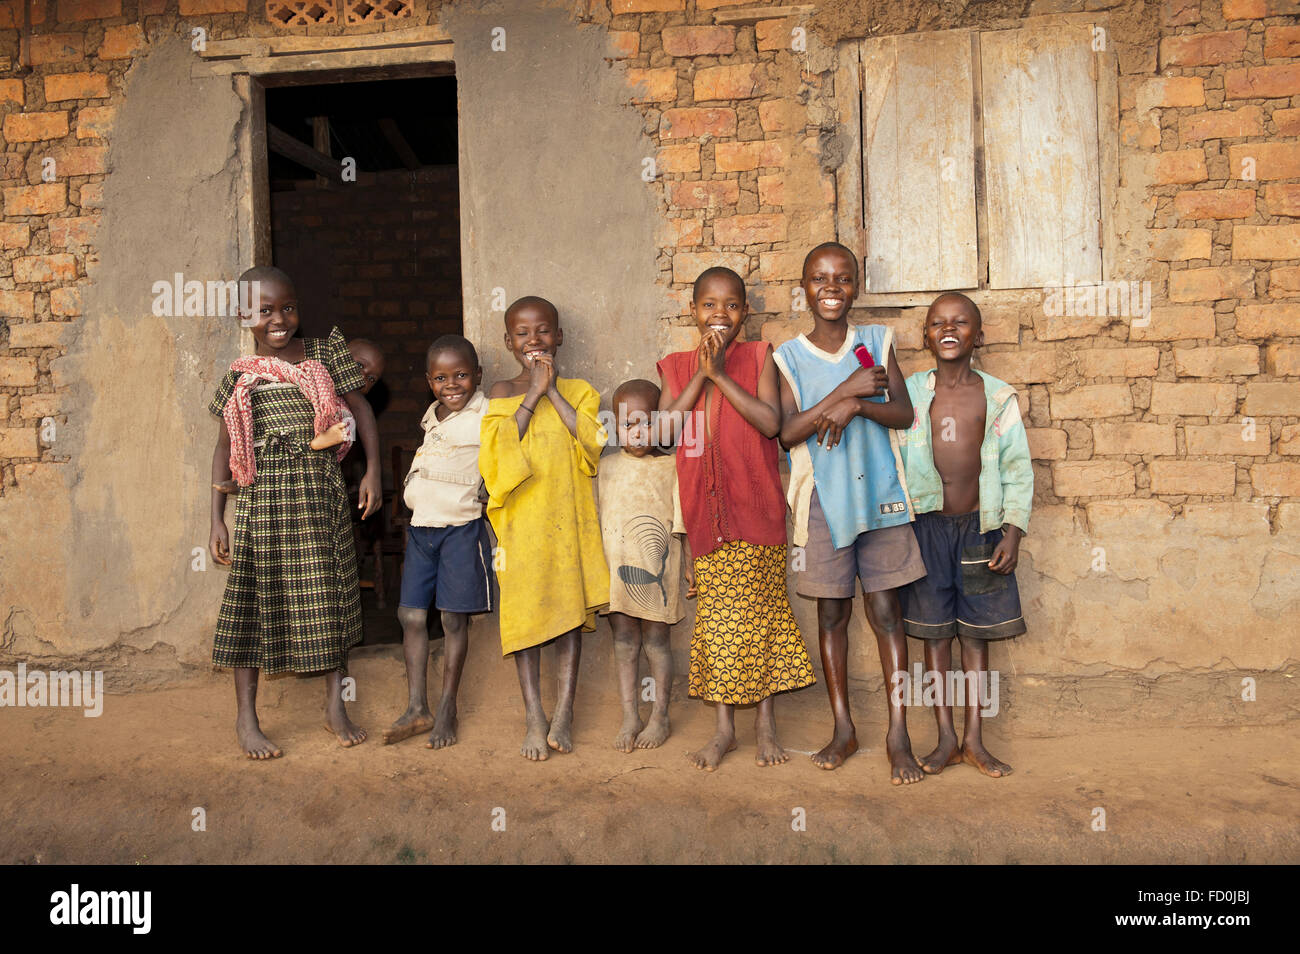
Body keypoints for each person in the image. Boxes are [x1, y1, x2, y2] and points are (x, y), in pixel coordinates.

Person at [207, 266, 381, 759]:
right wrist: (216, 516)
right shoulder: (241, 376)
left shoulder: (325, 354)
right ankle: (247, 717)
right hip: (262, 502)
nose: (278, 320)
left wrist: (373, 474)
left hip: (320, 496)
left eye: (287, 307)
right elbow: (223, 449)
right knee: (250, 606)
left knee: (327, 597)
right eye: (264, 311)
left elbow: (362, 412)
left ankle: (335, 706)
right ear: (246, 316)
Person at [774, 241, 927, 784]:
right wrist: (842, 391)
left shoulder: (877, 342)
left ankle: (898, 732)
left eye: (842, 277)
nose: (831, 287)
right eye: (819, 278)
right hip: (821, 504)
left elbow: (904, 415)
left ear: (856, 285)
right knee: (832, 614)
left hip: (879, 497)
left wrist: (858, 404)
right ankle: (843, 727)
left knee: (887, 613)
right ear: (804, 286)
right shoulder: (787, 357)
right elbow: (786, 430)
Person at [657, 267, 815, 772]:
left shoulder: (758, 357)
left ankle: (766, 724)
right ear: (693, 310)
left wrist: (721, 373)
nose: (718, 314)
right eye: (708, 304)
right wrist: (701, 375)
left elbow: (772, 424)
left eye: (730, 305)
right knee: (719, 625)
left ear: (745, 313)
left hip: (757, 509)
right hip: (706, 517)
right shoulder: (677, 366)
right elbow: (663, 432)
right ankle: (725, 730)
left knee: (762, 618)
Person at [897, 292, 1032, 778]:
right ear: (926, 335)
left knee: (975, 638)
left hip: (981, 529)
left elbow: (1018, 468)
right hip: (926, 530)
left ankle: (975, 738)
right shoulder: (910, 393)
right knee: (934, 638)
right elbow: (890, 452)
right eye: (938, 323)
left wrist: (1012, 532)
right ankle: (945, 738)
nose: (948, 330)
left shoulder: (997, 397)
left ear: (979, 334)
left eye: (961, 323)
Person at [479, 296, 609, 761]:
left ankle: (564, 712)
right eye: (522, 333)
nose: (533, 340)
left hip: (566, 521)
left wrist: (552, 389)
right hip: (520, 526)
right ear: (508, 341)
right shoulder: (498, 391)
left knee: (569, 614)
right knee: (525, 619)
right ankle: (534, 715)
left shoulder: (579, 390)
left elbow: (592, 443)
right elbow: (495, 458)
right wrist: (531, 392)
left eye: (543, 331)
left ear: (559, 337)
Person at [384, 334, 493, 750]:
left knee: (452, 619)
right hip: (421, 529)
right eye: (441, 377)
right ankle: (417, 706)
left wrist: (491, 490)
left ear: (477, 376)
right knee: (410, 616)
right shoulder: (431, 418)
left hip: (460, 530)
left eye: (461, 375)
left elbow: (503, 456)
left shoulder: (488, 416)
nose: (452, 384)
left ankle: (447, 705)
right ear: (430, 382)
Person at [598, 379, 684, 752]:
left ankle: (660, 715)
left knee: (657, 640)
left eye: (646, 423)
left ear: (662, 423)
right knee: (623, 640)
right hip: (616, 571)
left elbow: (682, 524)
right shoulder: (604, 468)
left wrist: (692, 569)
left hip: (657, 575)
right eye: (627, 423)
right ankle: (630, 714)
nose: (637, 432)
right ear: (615, 426)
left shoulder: (671, 467)